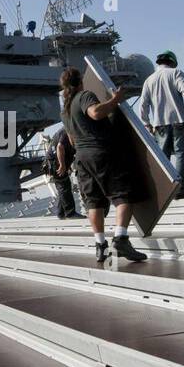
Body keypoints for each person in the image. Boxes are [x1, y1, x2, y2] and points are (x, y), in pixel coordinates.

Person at [59, 66, 148, 263]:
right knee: (123, 196)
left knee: (94, 203)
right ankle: (121, 239)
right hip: (101, 154)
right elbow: (96, 112)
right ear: (80, 81)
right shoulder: (84, 96)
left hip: (81, 159)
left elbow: (72, 140)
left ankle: (100, 246)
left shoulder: (65, 110)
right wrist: (115, 99)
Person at [137, 50, 184, 199]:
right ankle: (180, 189)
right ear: (172, 62)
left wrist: (146, 123)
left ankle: (165, 190)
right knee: (181, 154)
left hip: (159, 124)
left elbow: (143, 105)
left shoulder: (149, 80)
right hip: (178, 120)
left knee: (163, 157)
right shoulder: (176, 73)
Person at [43, 127, 82, 219]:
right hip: (54, 162)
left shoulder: (69, 128)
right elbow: (60, 147)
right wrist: (62, 165)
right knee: (64, 187)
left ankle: (60, 213)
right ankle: (70, 213)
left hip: (57, 161)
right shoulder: (67, 130)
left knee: (64, 187)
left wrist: (67, 165)